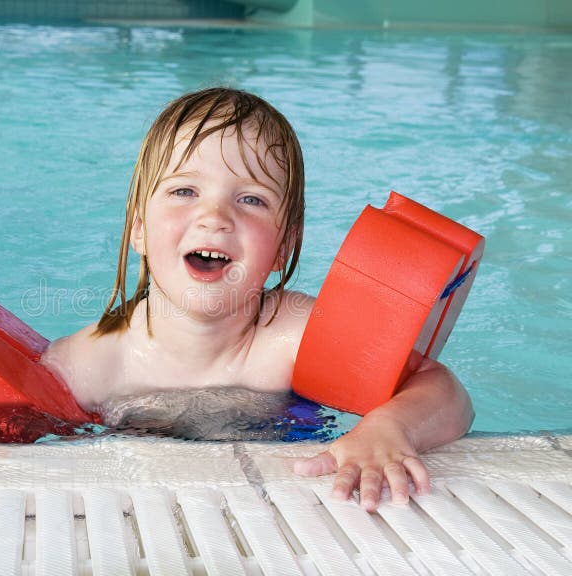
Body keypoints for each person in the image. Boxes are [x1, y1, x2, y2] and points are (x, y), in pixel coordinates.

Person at [41, 87, 474, 511]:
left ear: (283, 246)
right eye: (184, 191)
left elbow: (448, 393)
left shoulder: (297, 335)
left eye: (251, 199)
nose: (215, 217)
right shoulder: (85, 367)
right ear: (139, 227)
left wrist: (389, 427)